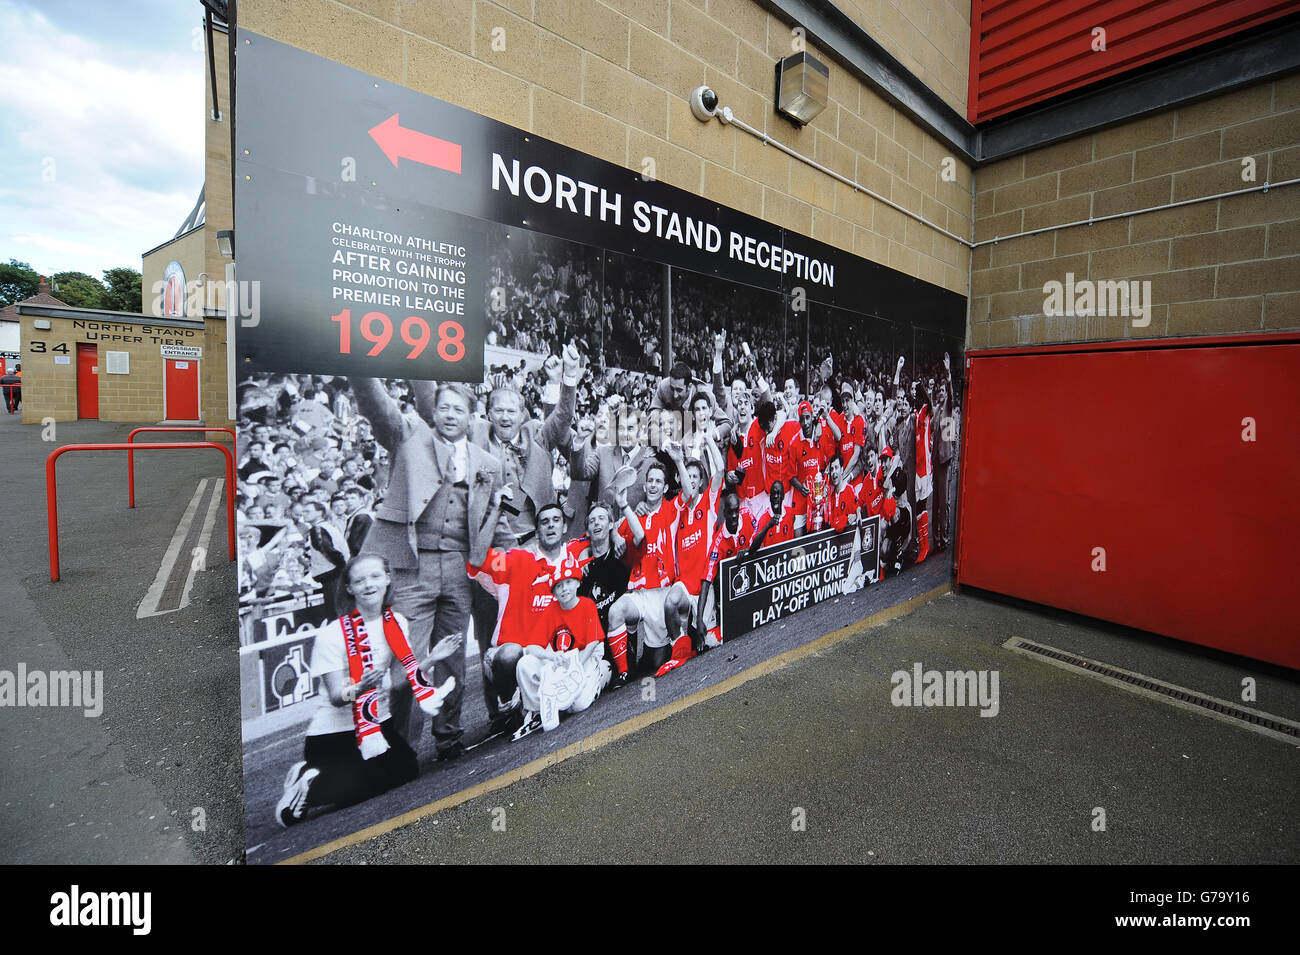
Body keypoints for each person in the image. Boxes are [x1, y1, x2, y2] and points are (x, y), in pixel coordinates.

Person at [351, 377, 515, 759]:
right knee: (406, 660)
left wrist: (521, 557)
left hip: (460, 570)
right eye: (444, 408)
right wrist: (360, 371)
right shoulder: (410, 437)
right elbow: (379, 409)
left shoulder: (489, 464)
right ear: (434, 411)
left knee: (453, 658)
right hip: (412, 567)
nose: (450, 416)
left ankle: (449, 737)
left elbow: (497, 519)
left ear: (471, 416)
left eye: (459, 409)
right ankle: (402, 748)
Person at [275, 555, 460, 827]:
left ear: (387, 578)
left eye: (374, 576)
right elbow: (339, 698)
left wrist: (433, 658)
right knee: (365, 783)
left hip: (376, 724)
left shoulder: (396, 622)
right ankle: (310, 785)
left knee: (407, 769)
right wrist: (360, 687)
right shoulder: (332, 633)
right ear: (349, 588)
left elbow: (400, 680)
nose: (368, 585)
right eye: (359, 580)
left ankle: (316, 778)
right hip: (333, 738)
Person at [511, 558, 613, 737]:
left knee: (579, 705)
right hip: (560, 660)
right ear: (554, 591)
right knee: (524, 663)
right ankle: (537, 710)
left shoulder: (586, 605)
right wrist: (551, 657)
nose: (564, 589)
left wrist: (576, 665)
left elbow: (593, 642)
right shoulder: (551, 610)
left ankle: (603, 673)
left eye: (568, 583)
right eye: (559, 586)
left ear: (577, 583)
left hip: (584, 658)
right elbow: (532, 647)